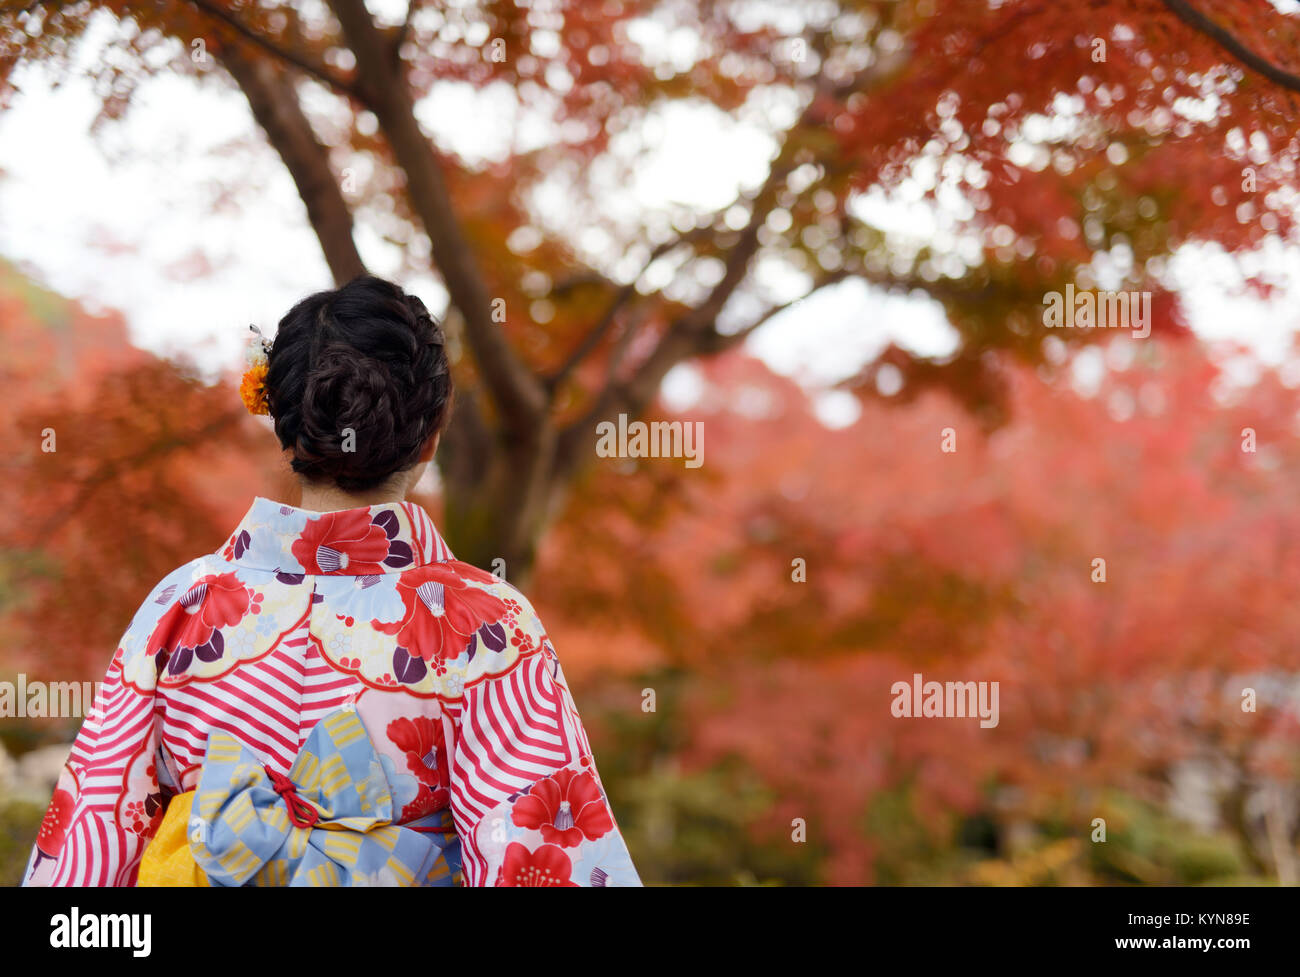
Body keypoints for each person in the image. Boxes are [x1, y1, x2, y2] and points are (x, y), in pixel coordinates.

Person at [21, 274, 642, 887]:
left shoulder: (181, 604)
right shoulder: (487, 624)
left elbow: (90, 842)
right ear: (432, 433)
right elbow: (537, 851)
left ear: (285, 424)